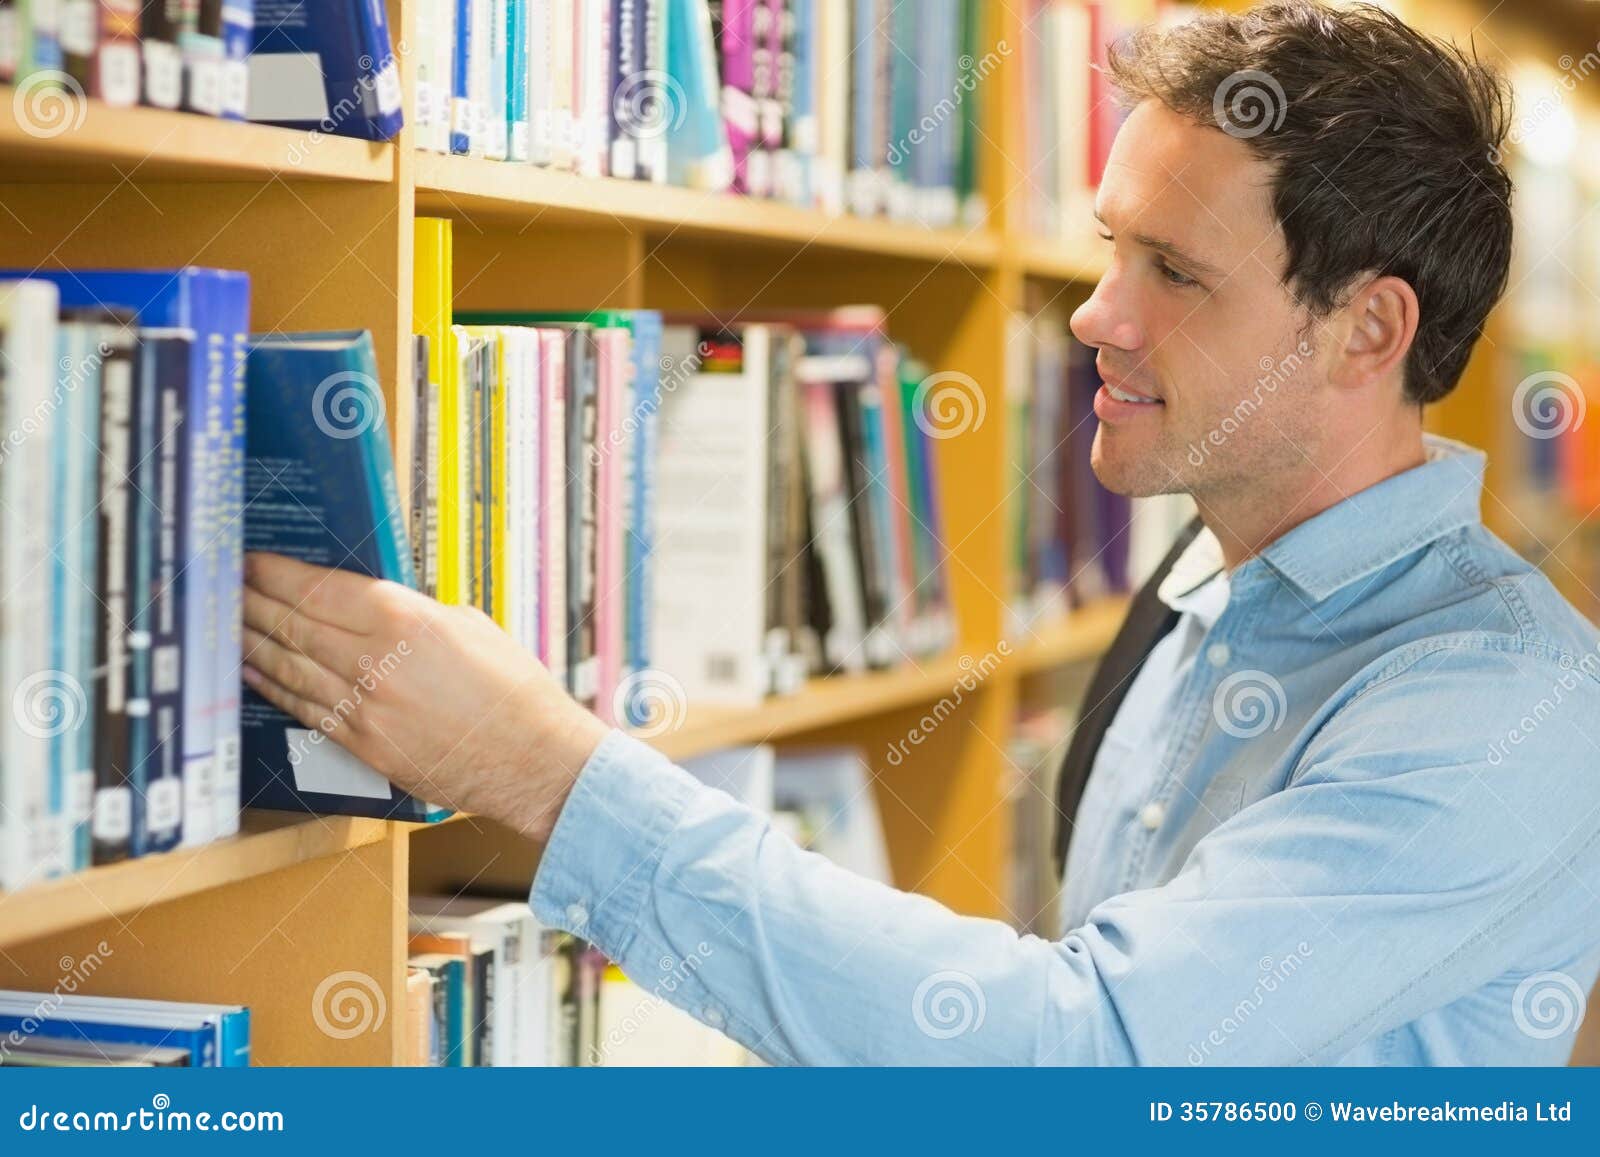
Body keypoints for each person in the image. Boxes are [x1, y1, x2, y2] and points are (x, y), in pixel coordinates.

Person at [241, 1, 1600, 1064]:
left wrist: (546, 770)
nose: (1093, 316)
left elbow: (1090, 1051)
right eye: (1110, 246)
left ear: (1370, 327)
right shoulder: (1200, 584)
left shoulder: (1507, 704)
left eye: (1174, 272)